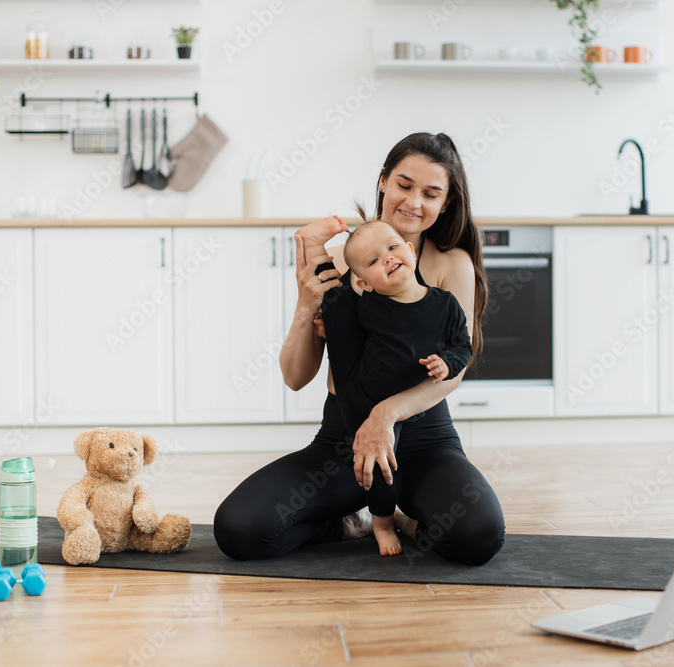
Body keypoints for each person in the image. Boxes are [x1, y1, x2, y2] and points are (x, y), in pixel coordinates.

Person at [213, 132, 505, 566]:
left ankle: (404, 513)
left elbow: (454, 373)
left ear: (445, 204)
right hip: (343, 444)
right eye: (404, 185)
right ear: (383, 181)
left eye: (431, 193)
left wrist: (384, 415)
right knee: (238, 530)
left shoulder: (451, 265)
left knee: (479, 536)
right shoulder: (338, 257)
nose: (414, 202)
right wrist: (305, 302)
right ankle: (355, 522)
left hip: (424, 442)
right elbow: (295, 378)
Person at [325, 219, 473, 555]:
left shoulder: (444, 303)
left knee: (391, 468)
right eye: (374, 261)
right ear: (364, 282)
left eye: (392, 248)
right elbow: (348, 337)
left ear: (410, 251)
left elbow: (463, 345)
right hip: (365, 401)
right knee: (379, 471)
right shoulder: (370, 307)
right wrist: (324, 324)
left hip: (413, 411)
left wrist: (448, 362)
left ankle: (403, 517)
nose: (388, 258)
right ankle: (381, 523)